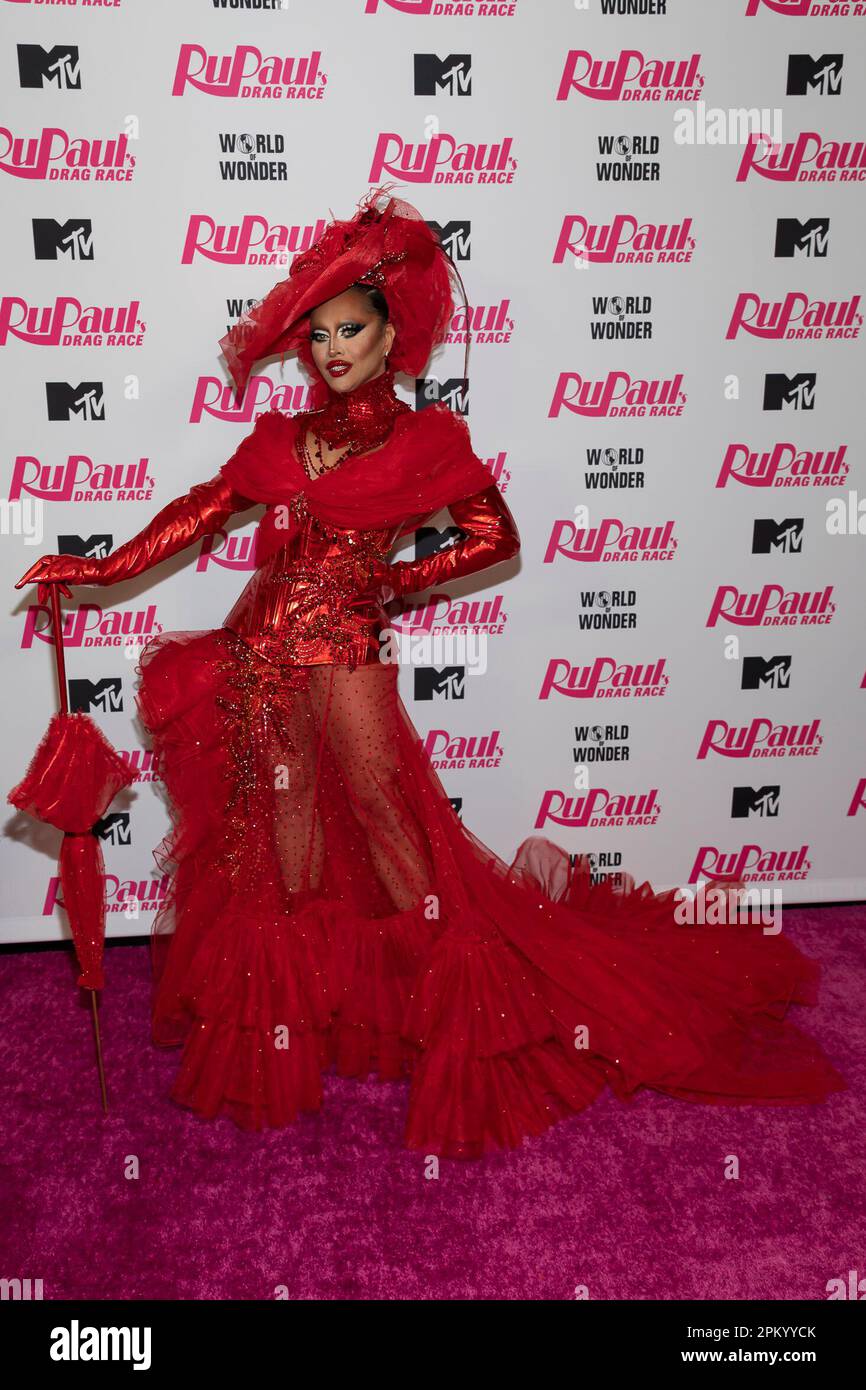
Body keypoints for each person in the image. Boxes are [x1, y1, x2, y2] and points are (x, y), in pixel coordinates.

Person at [16, 187, 846, 1159]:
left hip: (349, 661)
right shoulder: (281, 440)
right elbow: (201, 510)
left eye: (350, 331)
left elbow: (496, 536)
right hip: (259, 665)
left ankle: (472, 1026)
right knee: (282, 854)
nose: (331, 350)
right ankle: (302, 1037)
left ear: (388, 336)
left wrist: (394, 578)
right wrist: (100, 568)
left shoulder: (424, 441)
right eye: (317, 334)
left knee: (389, 828)